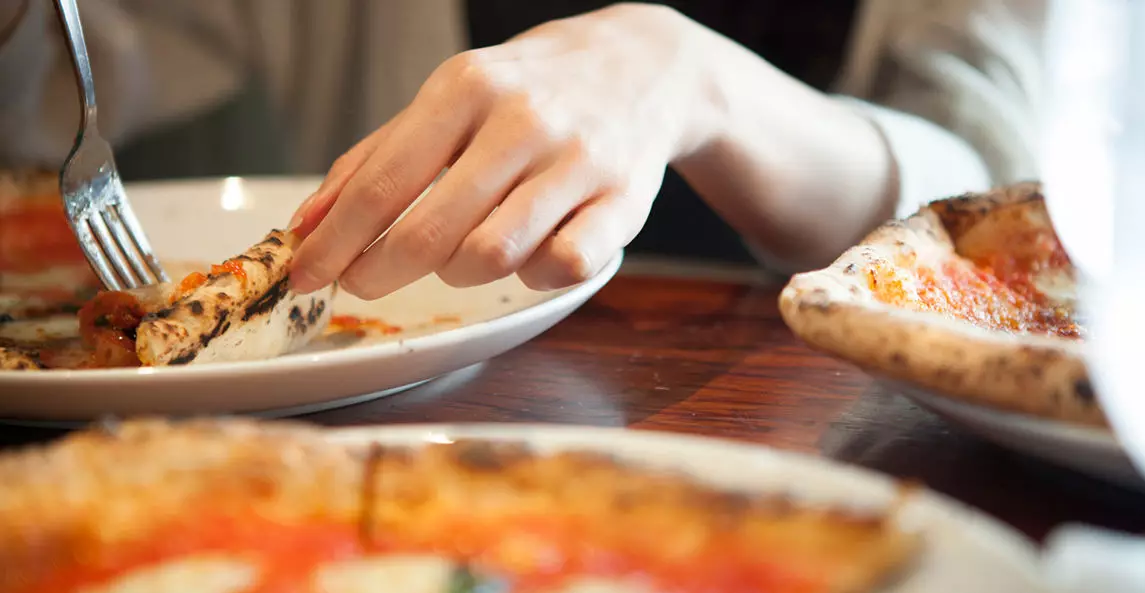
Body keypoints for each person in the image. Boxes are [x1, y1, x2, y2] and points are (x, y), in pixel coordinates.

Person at [0, 1, 1045, 296]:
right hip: (348, 434)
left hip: (838, 430)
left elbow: (1001, 208)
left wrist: (692, 76)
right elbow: (53, 67)